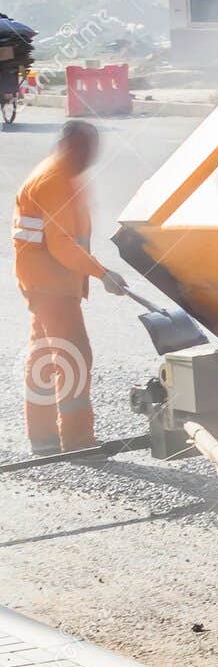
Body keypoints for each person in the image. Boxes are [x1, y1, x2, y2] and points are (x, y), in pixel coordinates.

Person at [12, 118, 126, 454]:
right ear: (72, 146)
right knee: (75, 355)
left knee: (46, 356)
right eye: (88, 148)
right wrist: (102, 273)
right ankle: (77, 442)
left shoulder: (61, 175)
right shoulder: (55, 181)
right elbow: (62, 244)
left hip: (43, 281)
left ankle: (43, 437)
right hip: (51, 284)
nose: (94, 155)